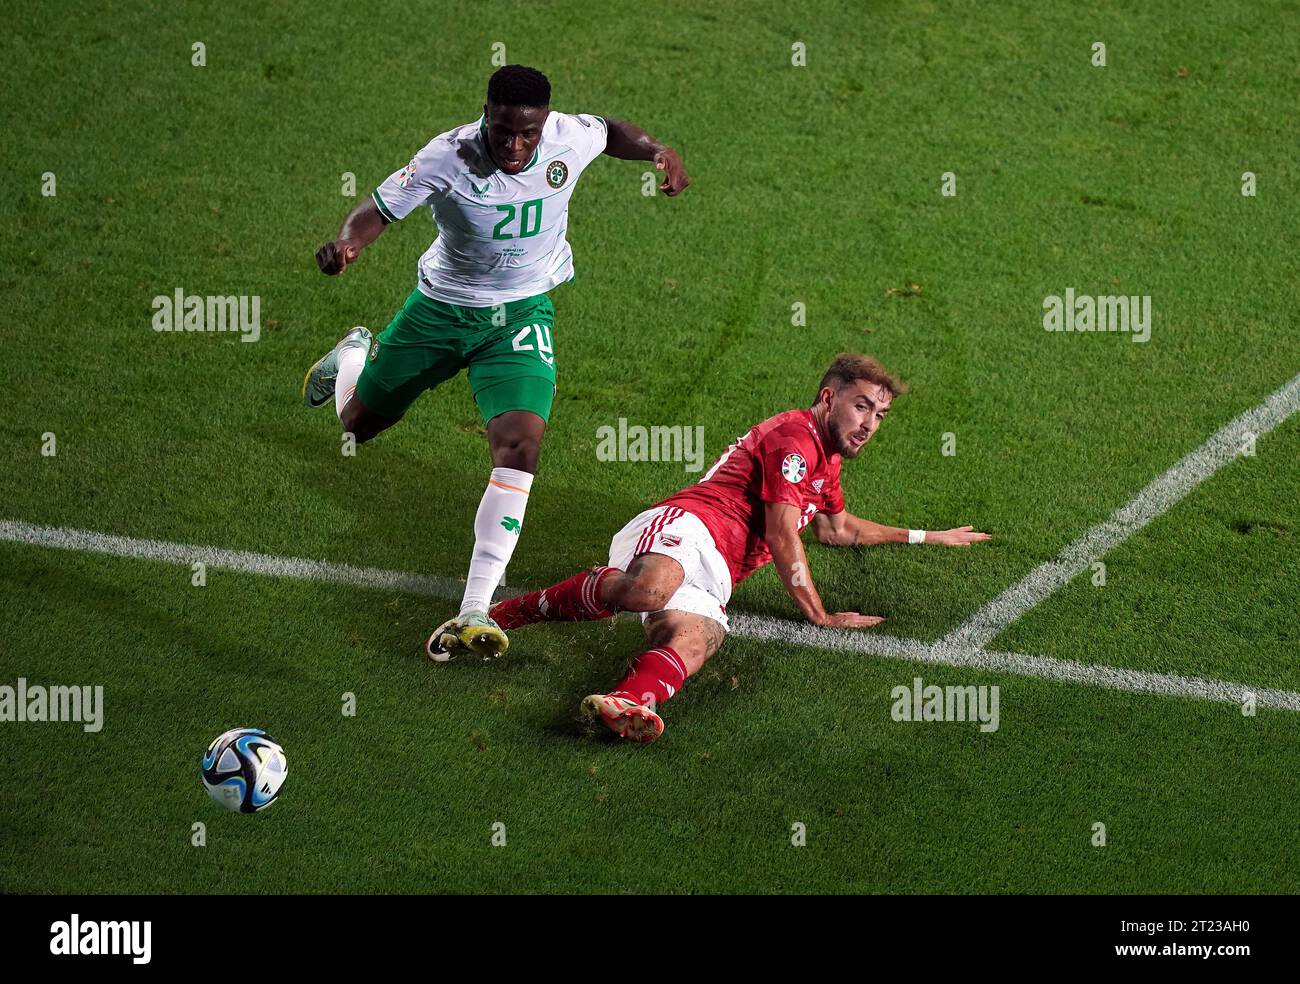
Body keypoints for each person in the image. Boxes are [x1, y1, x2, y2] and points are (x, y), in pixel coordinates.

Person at [302, 65, 689, 660]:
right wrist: (349, 244)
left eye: (527, 134)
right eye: (502, 131)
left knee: (520, 446)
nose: (514, 146)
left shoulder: (567, 136)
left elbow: (611, 131)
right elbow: (377, 207)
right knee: (359, 425)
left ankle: (474, 609)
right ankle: (355, 351)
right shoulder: (446, 156)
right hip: (441, 311)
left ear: (543, 124)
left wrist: (658, 151)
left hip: (521, 316)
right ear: (486, 114)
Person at [474, 354, 993, 743]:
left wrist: (928, 536)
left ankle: (625, 702)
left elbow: (838, 530)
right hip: (688, 526)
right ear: (829, 399)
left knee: (697, 640)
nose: (869, 425)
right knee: (649, 592)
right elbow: (780, 532)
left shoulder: (827, 463)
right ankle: (500, 613)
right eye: (862, 407)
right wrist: (820, 614)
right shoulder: (795, 439)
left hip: (716, 572)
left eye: (879, 416)